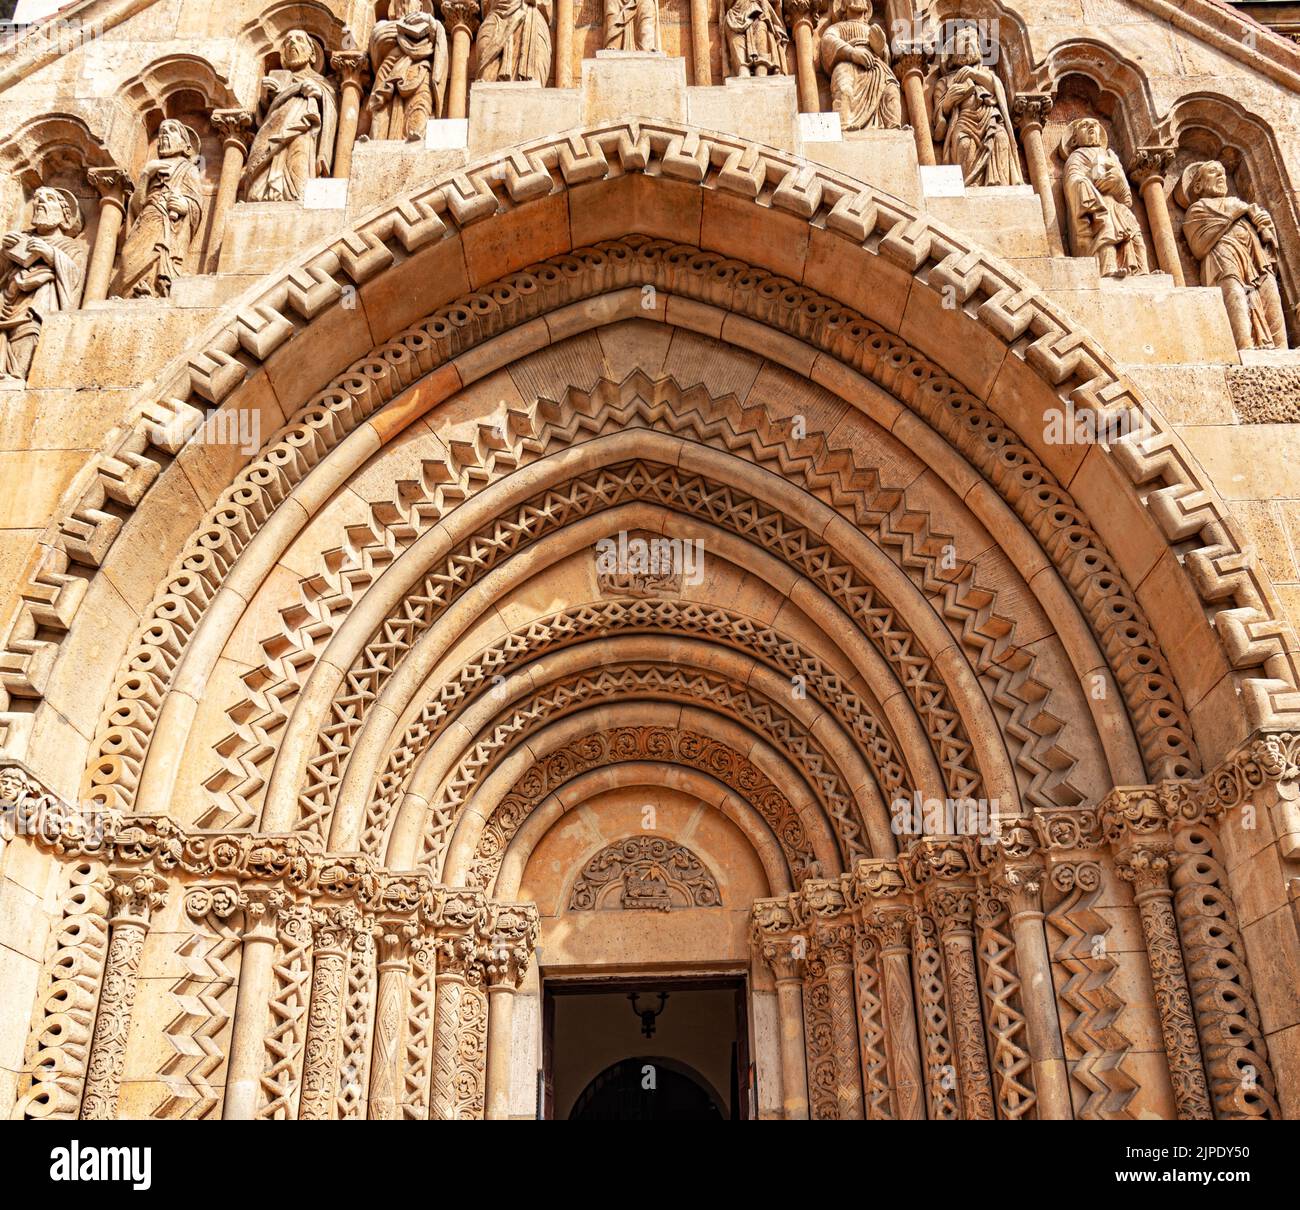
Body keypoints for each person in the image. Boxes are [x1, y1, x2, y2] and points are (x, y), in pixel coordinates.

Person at [1177, 159, 1288, 350]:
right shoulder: (1198, 209)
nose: (1221, 175)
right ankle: (1245, 347)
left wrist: (1266, 226)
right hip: (1223, 259)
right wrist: (1234, 213)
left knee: (1271, 294)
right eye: (1213, 172)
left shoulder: (1239, 204)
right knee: (1235, 295)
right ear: (1198, 185)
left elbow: (1267, 242)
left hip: (1255, 259)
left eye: (1222, 172)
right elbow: (1199, 246)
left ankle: (1281, 347)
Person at [0, 185, 86, 382]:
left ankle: (17, 375)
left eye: (49, 198)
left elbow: (75, 280)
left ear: (65, 216)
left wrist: (50, 254)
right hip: (9, 299)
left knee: (29, 330)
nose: (41, 203)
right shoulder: (22, 238)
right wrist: (5, 252)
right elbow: (3, 274)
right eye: (38, 198)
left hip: (38, 304)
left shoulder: (70, 246)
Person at [243, 29, 338, 201]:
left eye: (300, 40)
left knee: (298, 162)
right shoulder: (280, 78)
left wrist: (319, 94)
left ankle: (297, 197)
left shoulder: (321, 82)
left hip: (302, 130)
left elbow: (332, 110)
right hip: (272, 132)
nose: (292, 43)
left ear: (313, 55)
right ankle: (262, 195)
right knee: (263, 168)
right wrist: (267, 97)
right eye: (287, 41)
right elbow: (264, 117)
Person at [114, 119, 204, 298]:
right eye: (162, 130)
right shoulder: (151, 168)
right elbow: (136, 205)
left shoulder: (188, 169)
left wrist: (185, 205)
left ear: (186, 145)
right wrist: (147, 173)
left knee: (157, 253)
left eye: (172, 130)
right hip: (145, 220)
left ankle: (151, 291)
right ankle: (126, 294)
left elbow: (196, 203)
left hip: (167, 225)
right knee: (127, 256)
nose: (165, 134)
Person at [931, 24, 1022, 186]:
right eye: (962, 40)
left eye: (972, 39)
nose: (968, 41)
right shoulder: (944, 82)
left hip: (990, 119)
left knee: (1001, 138)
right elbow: (938, 132)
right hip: (964, 123)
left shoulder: (987, 74)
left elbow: (997, 89)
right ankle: (970, 185)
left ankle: (1000, 183)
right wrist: (947, 104)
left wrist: (974, 74)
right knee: (964, 144)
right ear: (951, 55)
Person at [1060, 117, 1148, 278]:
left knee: (1135, 232)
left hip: (1116, 204)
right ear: (1074, 140)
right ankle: (1108, 269)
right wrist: (1085, 183)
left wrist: (1118, 181)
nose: (1091, 127)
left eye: (1095, 125)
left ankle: (1140, 270)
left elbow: (1127, 198)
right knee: (1106, 229)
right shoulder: (1077, 156)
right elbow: (1072, 179)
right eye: (1084, 126)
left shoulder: (1109, 155)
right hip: (1095, 205)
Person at [368, 0, 449, 141]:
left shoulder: (430, 24)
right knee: (381, 103)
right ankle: (378, 138)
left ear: (421, 6)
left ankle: (416, 133)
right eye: (399, 3)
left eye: (408, 2)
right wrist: (397, 29)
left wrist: (428, 21)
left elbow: (440, 42)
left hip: (419, 69)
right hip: (390, 66)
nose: (403, 6)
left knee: (421, 102)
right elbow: (377, 45)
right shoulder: (382, 26)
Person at [819, 0, 902, 132]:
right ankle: (844, 126)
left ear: (867, 6)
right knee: (844, 88)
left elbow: (885, 54)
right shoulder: (837, 27)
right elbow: (828, 41)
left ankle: (892, 127)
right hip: (848, 64)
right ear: (843, 5)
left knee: (891, 90)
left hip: (875, 66)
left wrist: (880, 48)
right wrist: (852, 53)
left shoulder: (871, 29)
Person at [476, 0, 554, 84]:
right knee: (486, 64)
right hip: (497, 16)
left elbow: (547, 6)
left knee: (534, 76)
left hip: (530, 17)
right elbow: (485, 5)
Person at [722, 0, 789, 78]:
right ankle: (743, 70)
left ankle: (762, 71)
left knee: (761, 35)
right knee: (737, 41)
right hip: (735, 14)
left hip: (758, 12)